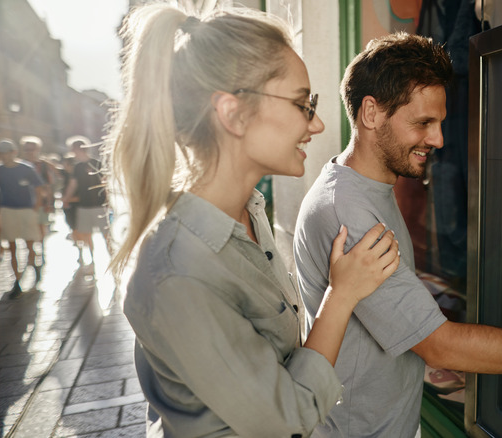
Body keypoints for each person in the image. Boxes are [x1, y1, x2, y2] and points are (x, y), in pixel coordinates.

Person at [293, 32, 502, 437]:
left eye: (439, 123)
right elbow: (440, 346)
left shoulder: (363, 187)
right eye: (423, 123)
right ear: (371, 113)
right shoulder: (347, 211)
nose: (438, 139)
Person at [103, 4, 400, 438]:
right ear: (233, 113)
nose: (316, 123)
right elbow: (286, 417)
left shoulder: (249, 213)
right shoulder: (177, 268)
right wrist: (342, 294)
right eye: (302, 103)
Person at [0, 138, 44, 298]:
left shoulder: (26, 168)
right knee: (12, 248)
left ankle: (33, 266)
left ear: (14, 152)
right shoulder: (0, 170)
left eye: (6, 153)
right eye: (1, 154)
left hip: (26, 210)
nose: (4, 157)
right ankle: (17, 281)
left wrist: (36, 208)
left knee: (29, 245)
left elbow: (39, 188)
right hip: (7, 210)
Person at [62, 136, 110, 269]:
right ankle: (92, 259)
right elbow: (73, 184)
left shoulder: (97, 163)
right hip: (84, 206)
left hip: (99, 206)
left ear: (80, 149)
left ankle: (112, 259)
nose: (73, 153)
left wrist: (109, 201)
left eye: (74, 150)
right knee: (86, 234)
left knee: (106, 235)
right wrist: (66, 199)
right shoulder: (77, 167)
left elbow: (106, 183)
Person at [19, 135, 56, 263]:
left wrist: (50, 203)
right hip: (24, 203)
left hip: (41, 203)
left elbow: (48, 185)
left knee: (40, 228)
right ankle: (31, 252)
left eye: (32, 149)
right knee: (26, 229)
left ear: (38, 149)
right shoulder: (19, 165)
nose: (29, 152)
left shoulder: (44, 166)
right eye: (27, 149)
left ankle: (41, 250)